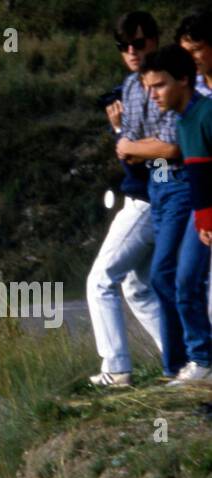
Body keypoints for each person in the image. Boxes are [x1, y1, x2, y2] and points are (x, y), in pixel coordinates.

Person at [87, 11, 168, 388]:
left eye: (139, 43)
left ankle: (116, 367)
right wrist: (123, 136)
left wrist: (125, 139)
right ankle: (179, 359)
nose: (132, 52)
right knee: (138, 286)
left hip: (149, 198)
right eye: (124, 46)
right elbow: (130, 151)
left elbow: (155, 151)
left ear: (154, 41)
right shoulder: (131, 86)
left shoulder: (160, 83)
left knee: (100, 279)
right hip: (146, 192)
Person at [139, 44, 212, 384]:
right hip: (202, 215)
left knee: (184, 280)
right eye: (149, 87)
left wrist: (207, 218)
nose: (152, 94)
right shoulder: (184, 122)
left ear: (184, 80)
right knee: (181, 280)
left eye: (159, 85)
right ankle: (200, 360)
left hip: (207, 215)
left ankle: (201, 359)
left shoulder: (207, 114)